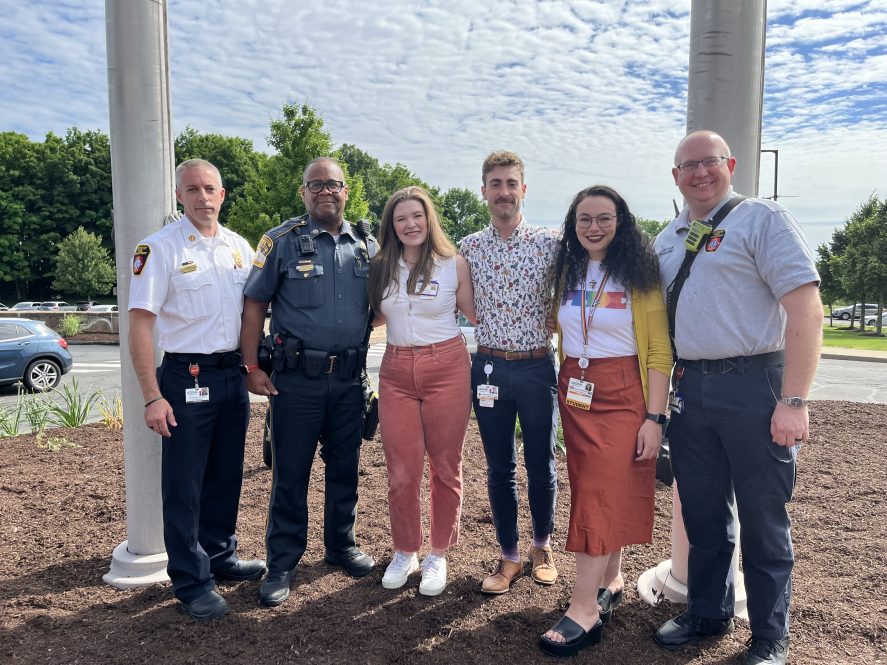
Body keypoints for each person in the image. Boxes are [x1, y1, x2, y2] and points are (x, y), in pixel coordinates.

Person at [652, 130, 822, 665]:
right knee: (702, 513)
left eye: (709, 163)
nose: (699, 173)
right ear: (674, 176)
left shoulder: (761, 219)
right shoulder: (666, 239)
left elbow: (806, 309)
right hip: (690, 387)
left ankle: (771, 637)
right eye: (688, 166)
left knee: (763, 517)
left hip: (756, 384)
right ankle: (708, 611)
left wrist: (793, 400)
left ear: (730, 164)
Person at [128, 158, 265, 621]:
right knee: (185, 484)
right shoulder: (158, 249)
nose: (203, 197)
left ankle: (221, 555)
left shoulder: (240, 248)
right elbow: (141, 325)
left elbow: (253, 315)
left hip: (232, 377)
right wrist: (152, 394)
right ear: (180, 197)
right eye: (193, 189)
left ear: (222, 194)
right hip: (185, 379)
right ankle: (189, 580)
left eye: (210, 188)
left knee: (226, 473)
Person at [538, 185, 671, 657]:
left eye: (604, 218)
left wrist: (655, 416)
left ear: (622, 222)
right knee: (596, 488)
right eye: (584, 219)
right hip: (576, 391)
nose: (593, 227)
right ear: (573, 226)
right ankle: (610, 580)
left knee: (596, 492)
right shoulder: (566, 271)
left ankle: (583, 608)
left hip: (623, 394)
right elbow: (561, 329)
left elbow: (658, 351)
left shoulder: (640, 274)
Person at [239, 157, 378, 608]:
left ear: (345, 192)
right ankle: (281, 562)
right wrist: (251, 367)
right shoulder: (279, 241)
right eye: (315, 185)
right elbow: (255, 304)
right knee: (290, 475)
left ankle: (340, 546)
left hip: (349, 381)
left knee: (344, 471)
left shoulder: (366, 245)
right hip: (295, 383)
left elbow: (380, 307)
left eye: (333, 185)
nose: (324, 191)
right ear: (303, 192)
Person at [460, 150, 560, 594]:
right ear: (484, 191)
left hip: (538, 365)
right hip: (488, 368)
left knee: (542, 462)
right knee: (500, 466)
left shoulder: (551, 242)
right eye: (495, 184)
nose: (504, 191)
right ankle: (509, 556)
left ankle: (542, 545)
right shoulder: (469, 247)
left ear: (524, 188)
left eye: (511, 183)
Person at [368, 186, 476, 596]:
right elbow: (377, 317)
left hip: (447, 366)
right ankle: (405, 550)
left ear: (429, 219)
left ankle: (438, 553)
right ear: (391, 226)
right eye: (401, 218)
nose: (410, 224)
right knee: (401, 471)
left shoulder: (453, 265)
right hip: (396, 370)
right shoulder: (381, 266)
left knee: (446, 467)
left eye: (417, 216)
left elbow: (475, 314)